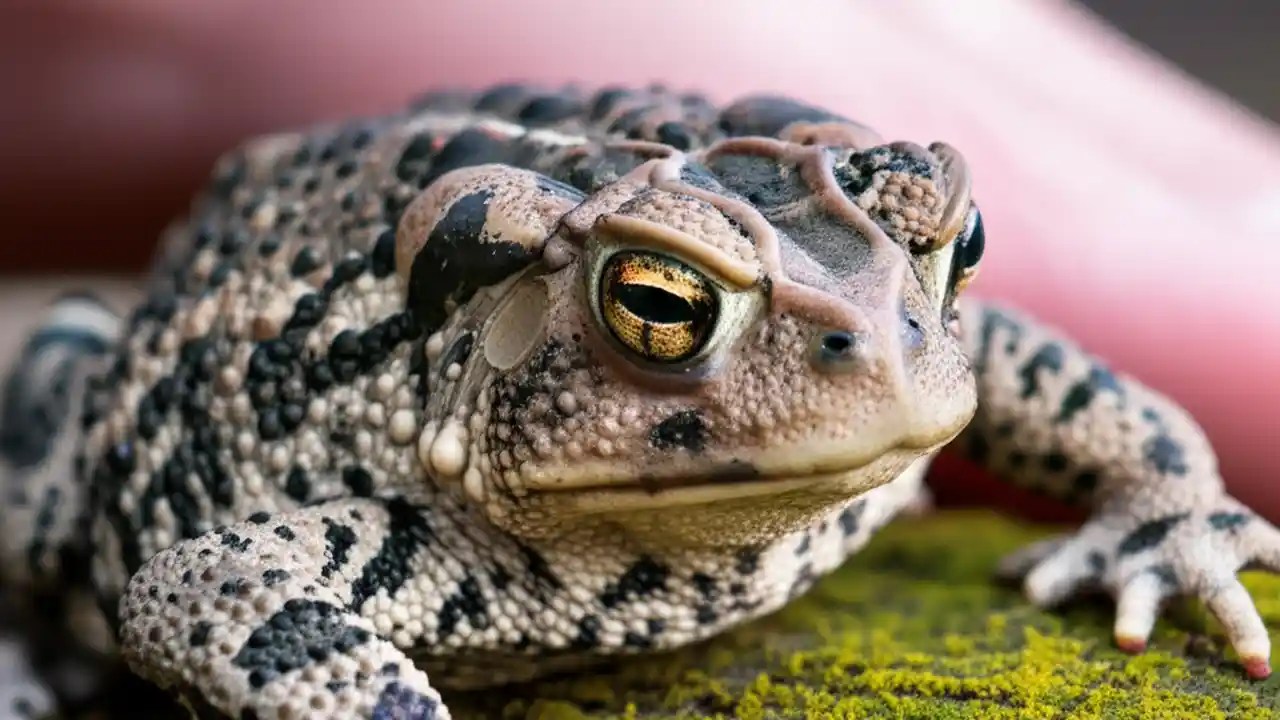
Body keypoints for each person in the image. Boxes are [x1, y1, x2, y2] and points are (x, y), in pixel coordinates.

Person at [1, 0, 1276, 518]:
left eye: (944, 259)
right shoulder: (391, 503)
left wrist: (1161, 499)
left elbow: (986, 351)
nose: (877, 344)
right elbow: (207, 581)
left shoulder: (875, 325)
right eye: (666, 309)